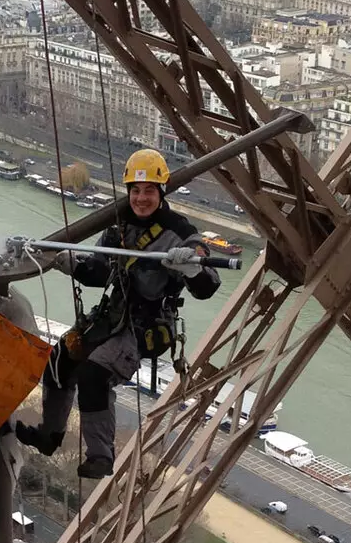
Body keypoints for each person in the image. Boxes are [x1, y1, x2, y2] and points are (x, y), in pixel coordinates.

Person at [15, 149, 222, 478]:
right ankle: (49, 435)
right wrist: (62, 260)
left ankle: (101, 455)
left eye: (149, 191)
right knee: (59, 361)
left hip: (144, 326)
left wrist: (193, 267)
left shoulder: (179, 232)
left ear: (161, 191)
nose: (141, 199)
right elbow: (97, 273)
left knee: (94, 374)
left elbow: (208, 286)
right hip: (112, 317)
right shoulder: (119, 226)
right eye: (136, 191)